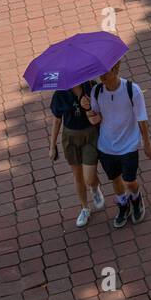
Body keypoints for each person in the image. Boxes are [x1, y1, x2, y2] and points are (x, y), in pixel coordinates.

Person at [82, 62, 151, 229]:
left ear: (116, 69)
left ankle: (136, 198)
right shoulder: (97, 91)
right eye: (100, 73)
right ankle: (123, 206)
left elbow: (142, 119)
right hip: (106, 146)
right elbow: (95, 119)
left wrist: (147, 143)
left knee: (130, 181)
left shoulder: (132, 90)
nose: (102, 77)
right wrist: (87, 109)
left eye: (105, 72)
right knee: (115, 180)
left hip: (129, 144)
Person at [49, 82, 105, 228]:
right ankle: (85, 208)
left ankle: (94, 186)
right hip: (70, 137)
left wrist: (89, 108)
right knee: (77, 174)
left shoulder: (91, 87)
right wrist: (52, 145)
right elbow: (57, 120)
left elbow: (101, 112)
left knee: (89, 177)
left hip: (90, 135)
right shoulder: (60, 93)